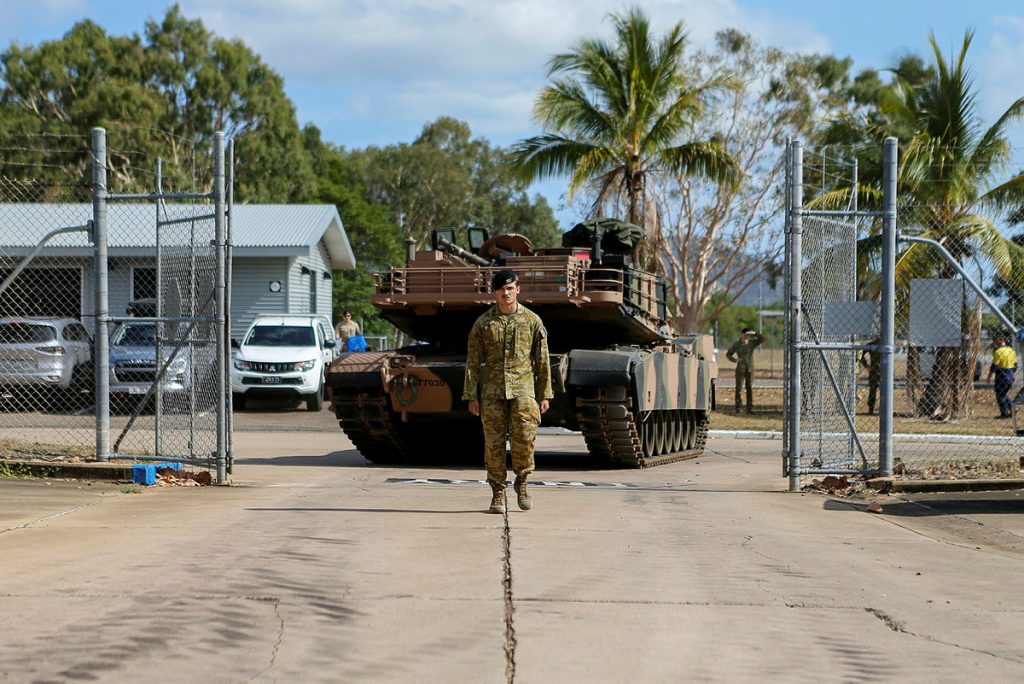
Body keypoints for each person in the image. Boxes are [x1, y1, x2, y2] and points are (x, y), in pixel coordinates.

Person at [463, 269, 553, 514]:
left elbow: (542, 360)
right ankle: (498, 493)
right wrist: (471, 394)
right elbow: (473, 361)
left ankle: (522, 482)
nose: (506, 293)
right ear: (495, 292)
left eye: (510, 288)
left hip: (524, 389)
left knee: (524, 439)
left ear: (518, 289)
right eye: (502, 289)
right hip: (492, 392)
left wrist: (545, 393)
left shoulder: (532, 321)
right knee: (493, 445)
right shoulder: (483, 323)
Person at [726, 327, 764, 414]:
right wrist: (735, 360)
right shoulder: (737, 344)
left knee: (749, 388)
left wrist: (755, 333)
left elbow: (762, 339)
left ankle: (749, 408)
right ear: (742, 334)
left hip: (750, 368)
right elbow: (728, 354)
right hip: (740, 369)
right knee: (739, 388)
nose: (747, 336)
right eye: (745, 334)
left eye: (748, 334)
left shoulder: (751, 343)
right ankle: (738, 407)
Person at [988, 337, 1017, 419]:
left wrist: (989, 376)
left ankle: (1004, 413)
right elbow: (1015, 365)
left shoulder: (998, 352)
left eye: (995, 341)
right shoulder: (1011, 350)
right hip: (1010, 376)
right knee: (1003, 394)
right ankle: (1012, 408)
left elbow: (994, 366)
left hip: (1001, 376)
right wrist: (1012, 374)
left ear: (1000, 340)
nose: (994, 343)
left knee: (1000, 395)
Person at [860, 335, 881, 415]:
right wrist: (867, 366)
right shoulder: (871, 345)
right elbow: (861, 356)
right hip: (874, 371)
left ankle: (884, 409)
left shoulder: (887, 344)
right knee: (873, 389)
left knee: (885, 390)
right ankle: (871, 408)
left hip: (885, 370)